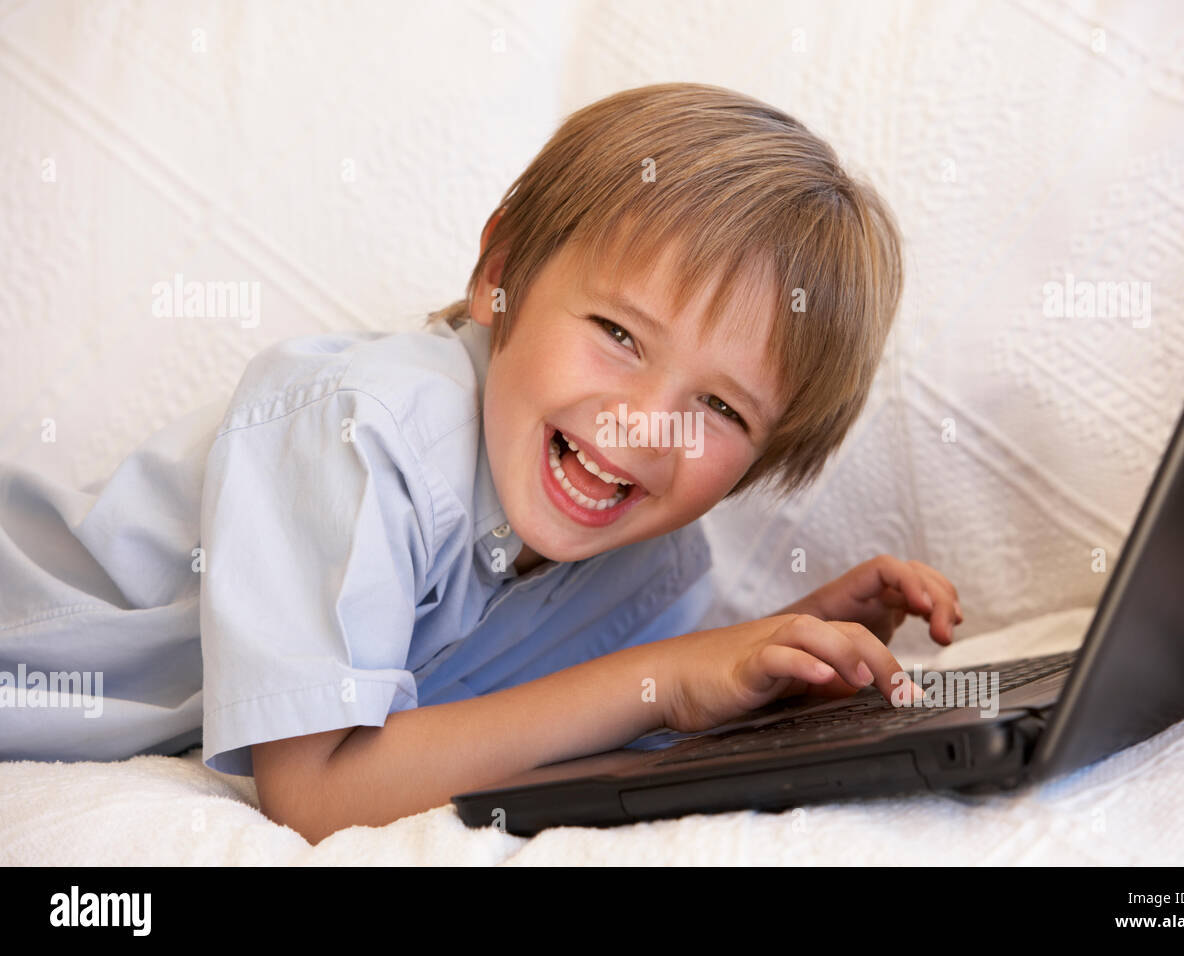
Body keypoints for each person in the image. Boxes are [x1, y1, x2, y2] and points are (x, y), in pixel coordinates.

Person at [0, 82, 962, 844]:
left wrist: (777, 653)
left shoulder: (657, 568)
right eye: (619, 333)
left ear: (762, 460)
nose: (642, 425)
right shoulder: (365, 423)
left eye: (718, 408)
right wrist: (663, 679)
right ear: (500, 275)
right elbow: (316, 792)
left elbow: (618, 701)